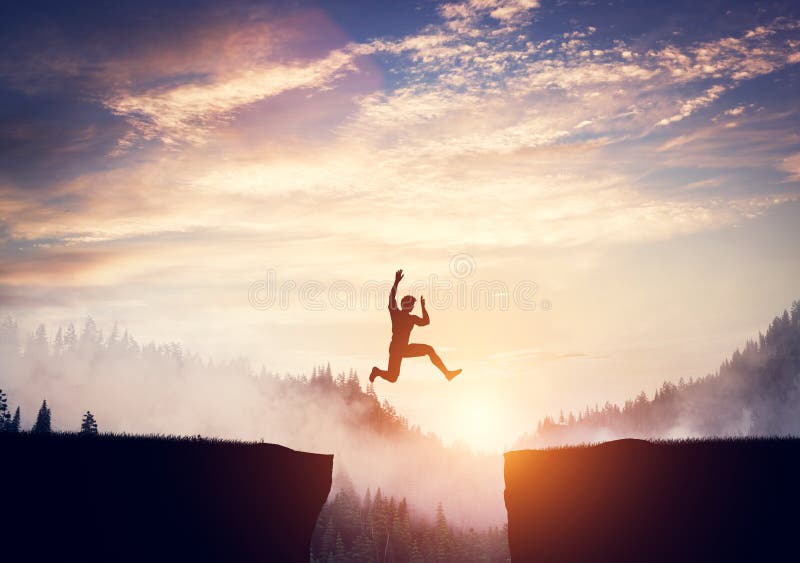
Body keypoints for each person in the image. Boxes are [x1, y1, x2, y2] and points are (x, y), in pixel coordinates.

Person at [370, 269, 462, 383]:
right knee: (393, 377)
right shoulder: (396, 314)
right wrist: (396, 282)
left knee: (429, 350)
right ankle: (377, 371)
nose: (413, 307)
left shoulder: (411, 318)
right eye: (412, 305)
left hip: (404, 348)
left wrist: (423, 307)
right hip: (396, 349)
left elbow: (426, 322)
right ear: (407, 306)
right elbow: (391, 298)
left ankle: (447, 373)